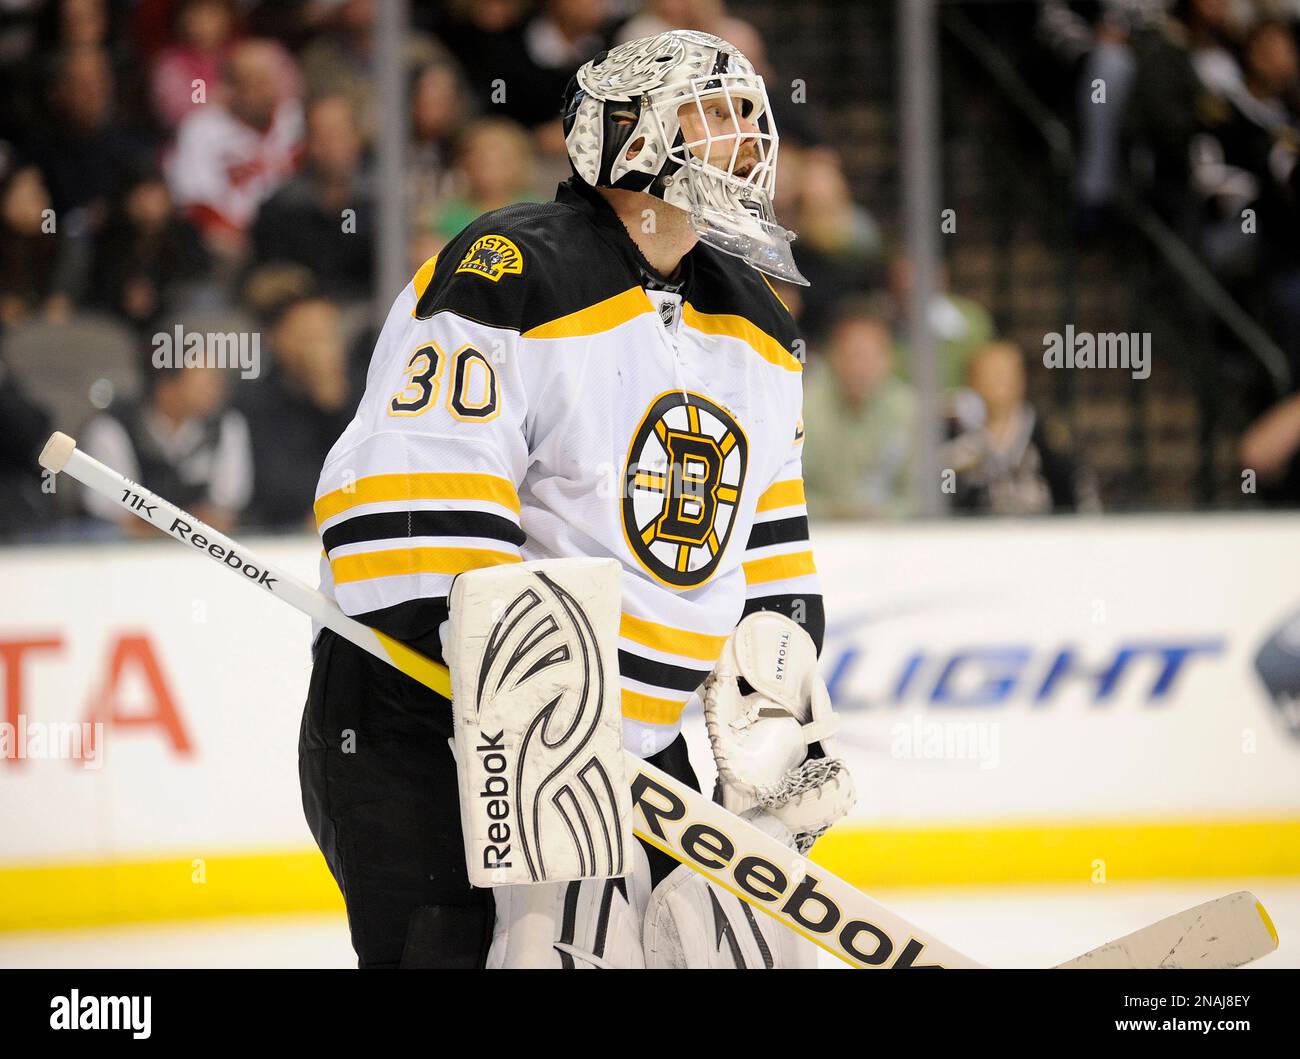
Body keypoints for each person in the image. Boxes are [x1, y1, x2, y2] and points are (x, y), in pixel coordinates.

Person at [302, 30, 839, 969]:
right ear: (628, 136)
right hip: (431, 733)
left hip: (640, 755)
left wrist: (774, 701)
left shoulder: (759, 325)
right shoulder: (510, 268)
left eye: (753, 114)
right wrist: (551, 711)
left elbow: (772, 559)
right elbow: (412, 531)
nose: (749, 136)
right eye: (715, 112)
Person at [802, 299, 917, 519]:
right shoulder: (803, 408)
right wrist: (832, 513)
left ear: (888, 359)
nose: (861, 367)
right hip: (820, 535)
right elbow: (784, 489)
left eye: (870, 355)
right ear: (833, 356)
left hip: (895, 538)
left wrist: (883, 514)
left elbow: (921, 494)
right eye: (853, 354)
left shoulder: (909, 410)